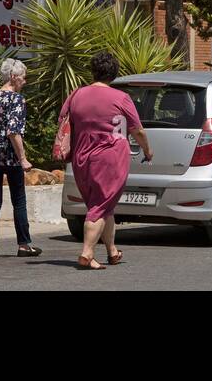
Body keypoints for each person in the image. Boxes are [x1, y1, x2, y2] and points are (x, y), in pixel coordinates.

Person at [60, 51, 152, 270]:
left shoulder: (76, 95)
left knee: (102, 205)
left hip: (81, 156)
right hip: (109, 158)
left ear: (93, 71)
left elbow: (64, 119)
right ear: (114, 73)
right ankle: (87, 252)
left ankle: (112, 251)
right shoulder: (120, 98)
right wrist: (148, 151)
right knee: (100, 205)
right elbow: (137, 130)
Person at [0, 58, 41, 259]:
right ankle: (23, 244)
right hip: (10, 157)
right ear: (13, 77)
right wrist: (23, 158)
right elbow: (14, 131)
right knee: (19, 200)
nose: (25, 81)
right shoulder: (17, 100)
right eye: (23, 77)